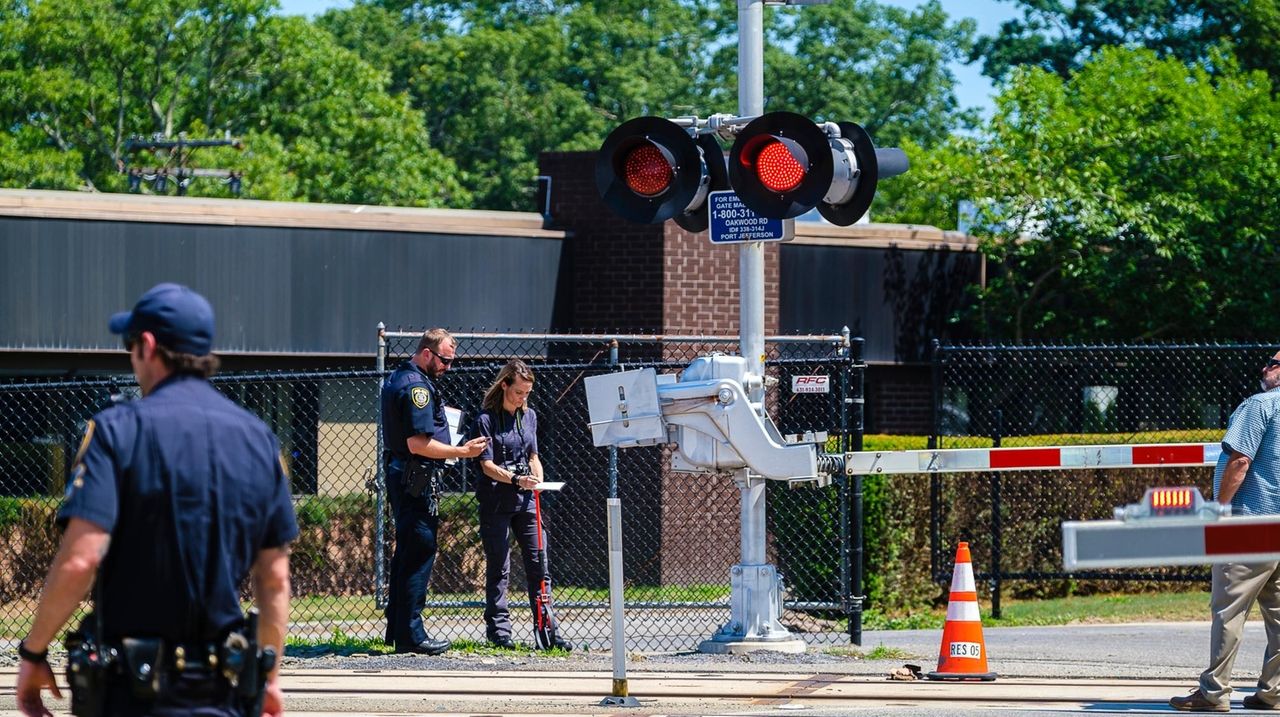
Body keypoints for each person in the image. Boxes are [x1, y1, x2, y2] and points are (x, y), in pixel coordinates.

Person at [14, 282, 298, 717]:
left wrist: (34, 653)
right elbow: (275, 578)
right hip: (222, 692)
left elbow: (80, 559)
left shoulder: (115, 431)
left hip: (131, 692)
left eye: (129, 345)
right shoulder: (259, 439)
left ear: (147, 346)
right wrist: (269, 677)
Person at [1171, 349, 1280, 712]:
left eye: (1273, 363)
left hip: (1250, 523)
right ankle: (1273, 691)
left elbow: (1241, 459)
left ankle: (1214, 692)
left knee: (1229, 609)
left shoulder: (1260, 405)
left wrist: (1219, 509)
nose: (1265, 367)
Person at [381, 328, 488, 654]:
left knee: (406, 553)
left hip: (404, 475)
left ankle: (397, 629)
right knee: (419, 552)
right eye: (444, 360)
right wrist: (463, 452)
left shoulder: (400, 376)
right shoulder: (417, 387)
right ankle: (412, 635)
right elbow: (418, 444)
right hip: (415, 479)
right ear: (427, 353)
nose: (448, 367)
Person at [475, 359, 569, 650]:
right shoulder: (486, 419)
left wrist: (537, 479)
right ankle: (499, 632)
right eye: (518, 392)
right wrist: (516, 479)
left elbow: (533, 456)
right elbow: (486, 465)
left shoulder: (529, 416)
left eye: (527, 393)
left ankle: (547, 630)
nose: (522, 398)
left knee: (539, 564)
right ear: (505, 385)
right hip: (496, 500)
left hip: (526, 500)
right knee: (499, 566)